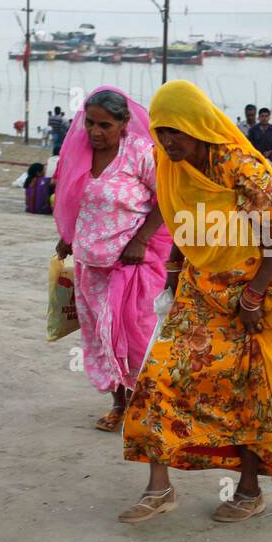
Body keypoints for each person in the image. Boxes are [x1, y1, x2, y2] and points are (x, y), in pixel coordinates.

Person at [120, 80, 272, 524]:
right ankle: (159, 488)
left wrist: (253, 294)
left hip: (251, 295)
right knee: (159, 376)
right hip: (198, 290)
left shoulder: (241, 167)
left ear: (197, 124)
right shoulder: (168, 164)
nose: (168, 140)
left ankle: (248, 492)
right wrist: (174, 269)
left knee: (247, 392)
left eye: (176, 130)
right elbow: (179, 219)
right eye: (161, 130)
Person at [54, 87, 172, 432]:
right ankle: (118, 404)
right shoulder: (81, 153)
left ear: (124, 123)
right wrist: (67, 236)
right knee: (100, 336)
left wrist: (141, 238)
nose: (95, 132)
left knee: (131, 334)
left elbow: (166, 199)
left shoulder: (140, 154)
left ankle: (144, 403)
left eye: (105, 125)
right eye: (90, 123)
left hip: (131, 263)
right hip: (90, 261)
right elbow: (76, 199)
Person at [247, 106, 272, 174]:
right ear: (259, 117)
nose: (264, 118)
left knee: (271, 178)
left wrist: (270, 152)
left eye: (266, 116)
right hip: (257, 159)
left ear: (269, 117)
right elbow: (248, 144)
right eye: (262, 116)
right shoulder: (253, 129)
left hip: (270, 159)